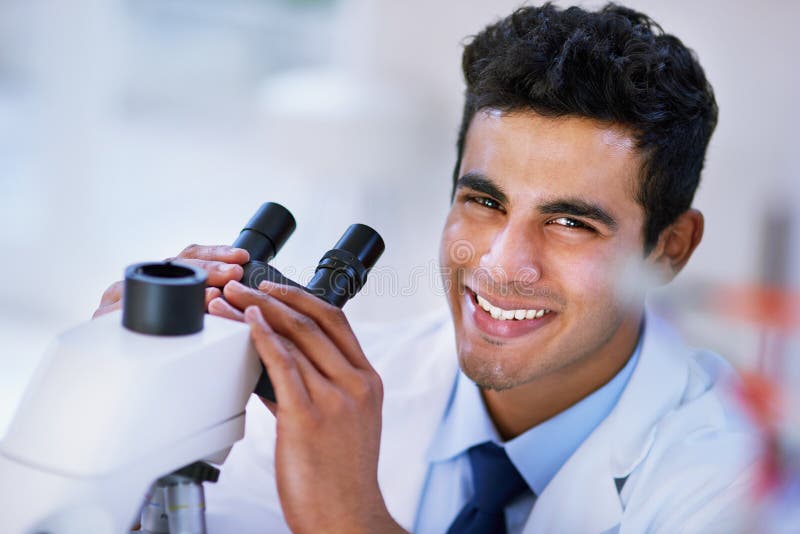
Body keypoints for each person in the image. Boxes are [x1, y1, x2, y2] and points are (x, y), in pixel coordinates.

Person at [96, 3, 759, 533]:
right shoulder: (321, 397)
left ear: (670, 248)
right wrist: (106, 425)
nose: (502, 264)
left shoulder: (737, 485)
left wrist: (350, 519)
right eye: (484, 202)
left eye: (570, 223)